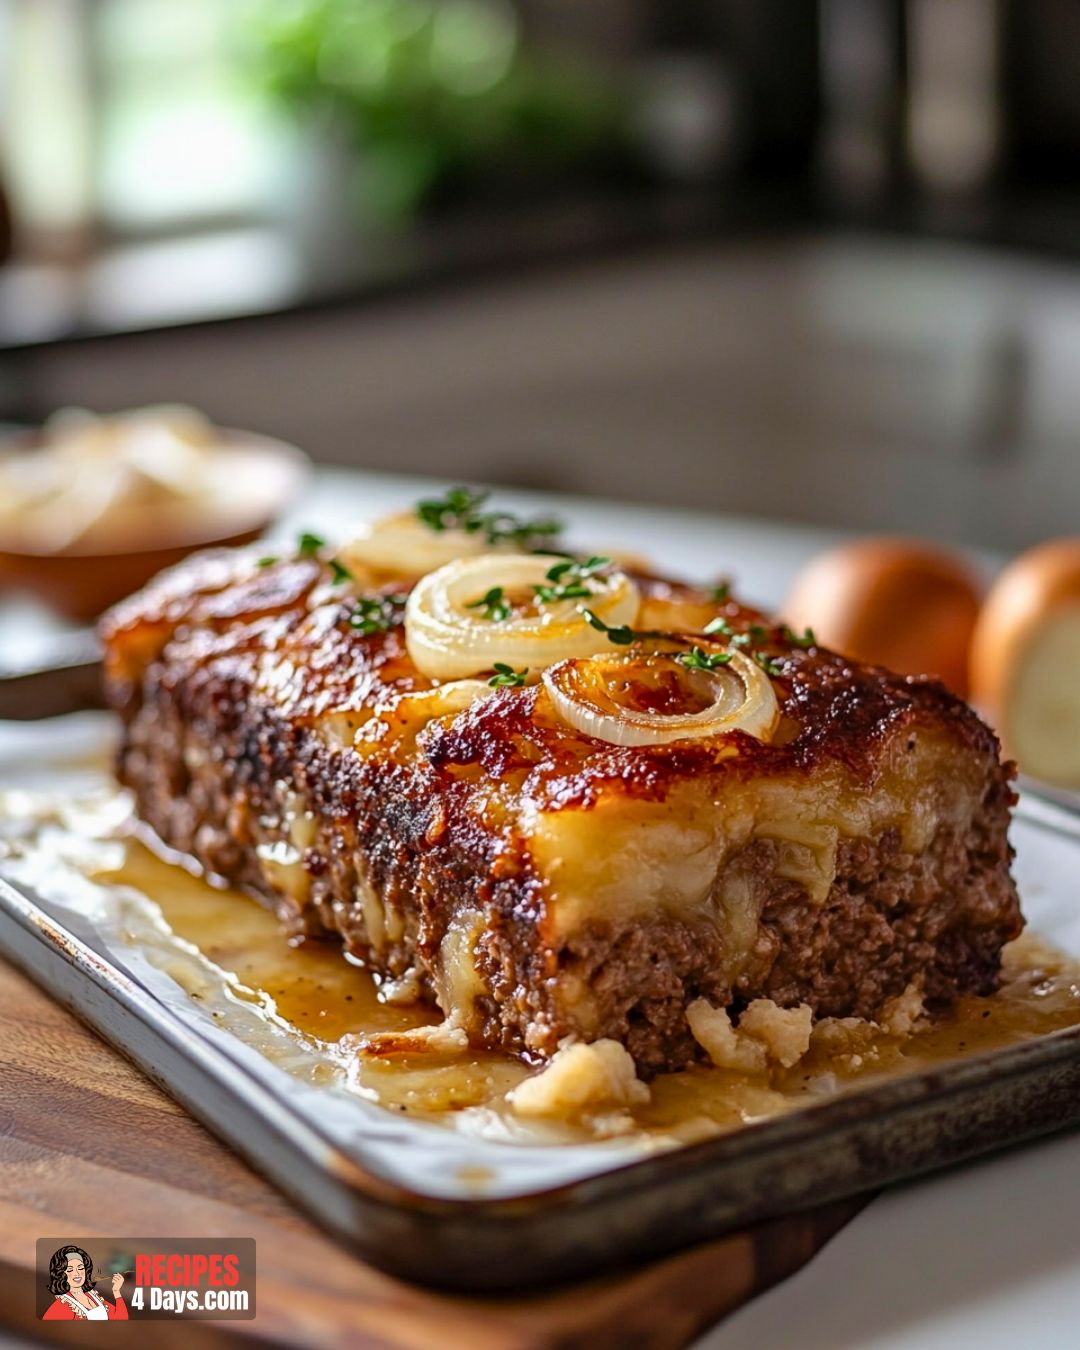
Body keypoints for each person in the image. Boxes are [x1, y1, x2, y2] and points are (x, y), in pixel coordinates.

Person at [42, 1245, 128, 1321]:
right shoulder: (62, 1306)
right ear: (60, 1274)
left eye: (80, 1268)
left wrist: (116, 1291)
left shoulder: (92, 1296)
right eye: (70, 1270)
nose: (77, 1273)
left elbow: (121, 1319)